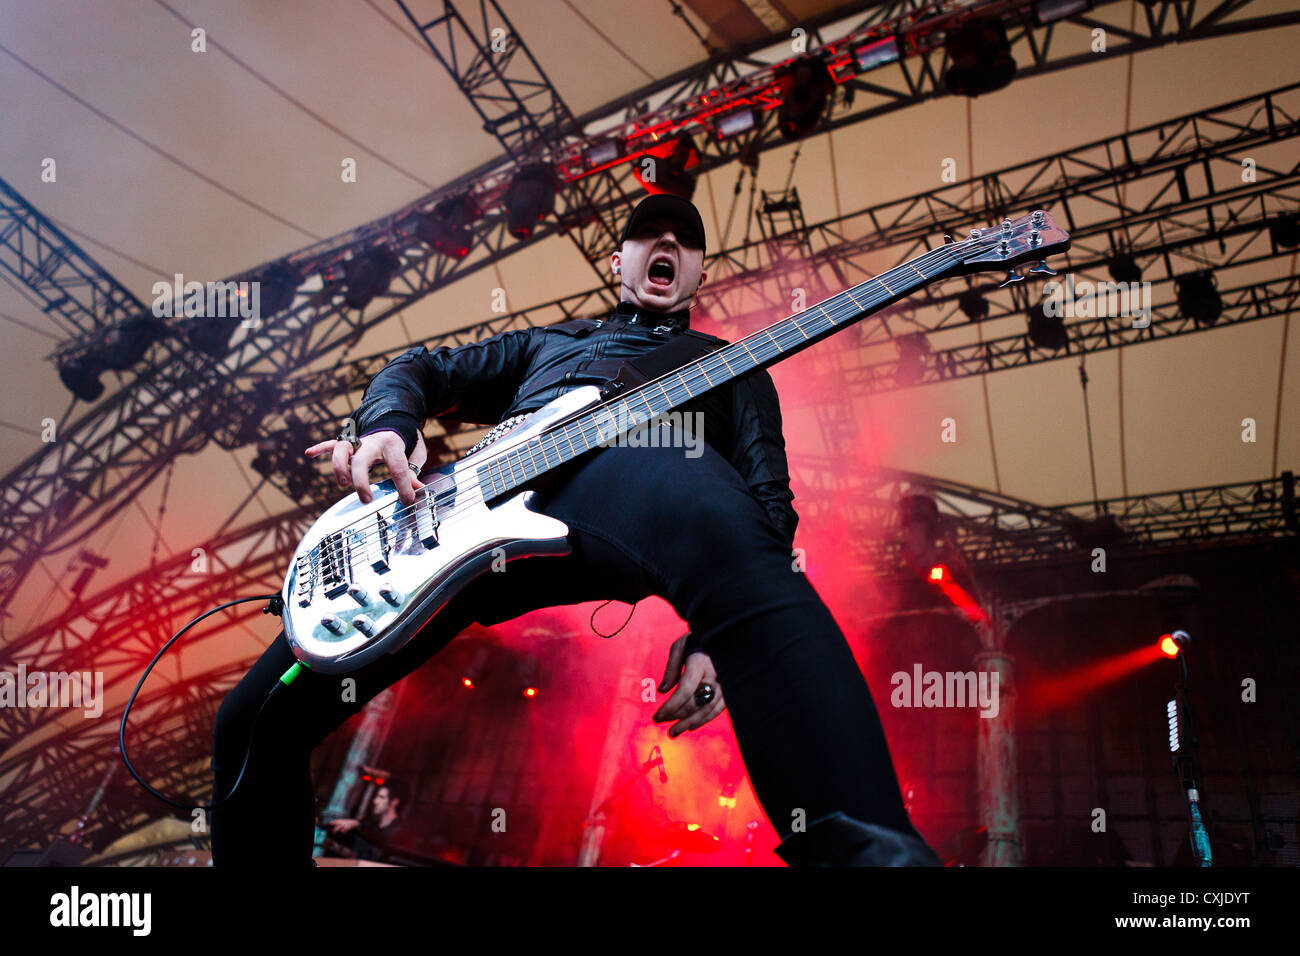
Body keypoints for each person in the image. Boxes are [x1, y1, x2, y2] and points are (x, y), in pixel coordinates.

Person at [210, 194, 940, 867]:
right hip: (467, 521)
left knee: (723, 518)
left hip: (640, 470)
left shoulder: (730, 367)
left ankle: (868, 846)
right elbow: (422, 367)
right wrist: (389, 425)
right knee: (254, 718)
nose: (666, 243)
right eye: (647, 235)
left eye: (683, 241)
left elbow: (771, 502)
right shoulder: (547, 344)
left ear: (698, 271)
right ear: (617, 262)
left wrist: (715, 639)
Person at [325, 781, 413, 863]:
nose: (375, 801)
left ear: (394, 802)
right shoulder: (369, 825)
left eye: (381, 797)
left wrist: (357, 824)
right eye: (376, 797)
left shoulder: (400, 832)